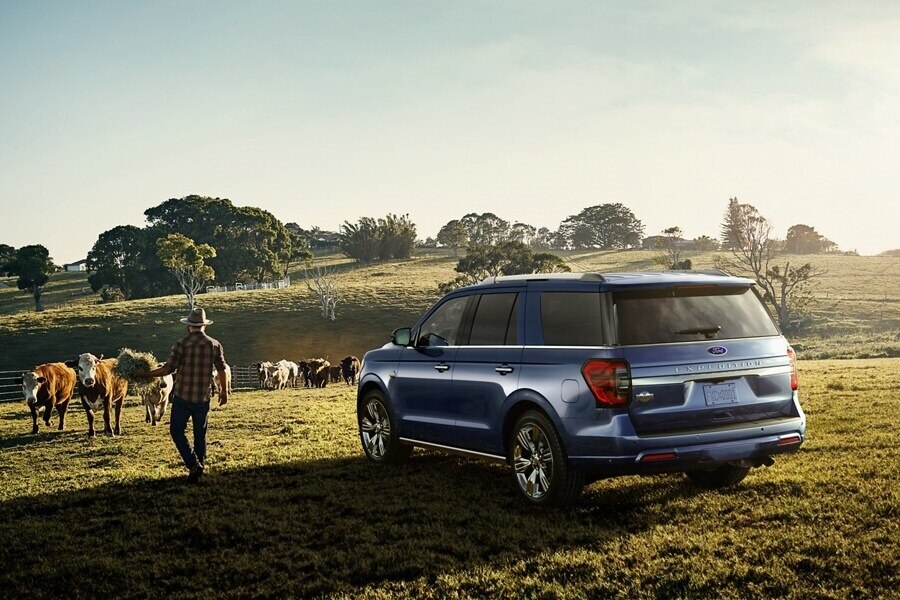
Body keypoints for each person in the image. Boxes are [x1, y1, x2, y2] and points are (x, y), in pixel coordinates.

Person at [136, 307, 228, 483]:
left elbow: (168, 369)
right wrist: (224, 391)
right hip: (203, 397)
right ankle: (199, 468)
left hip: (183, 397)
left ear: (189, 327)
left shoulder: (181, 344)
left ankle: (194, 465)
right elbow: (222, 369)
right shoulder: (214, 344)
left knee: (177, 431)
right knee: (199, 434)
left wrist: (145, 374)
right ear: (204, 326)